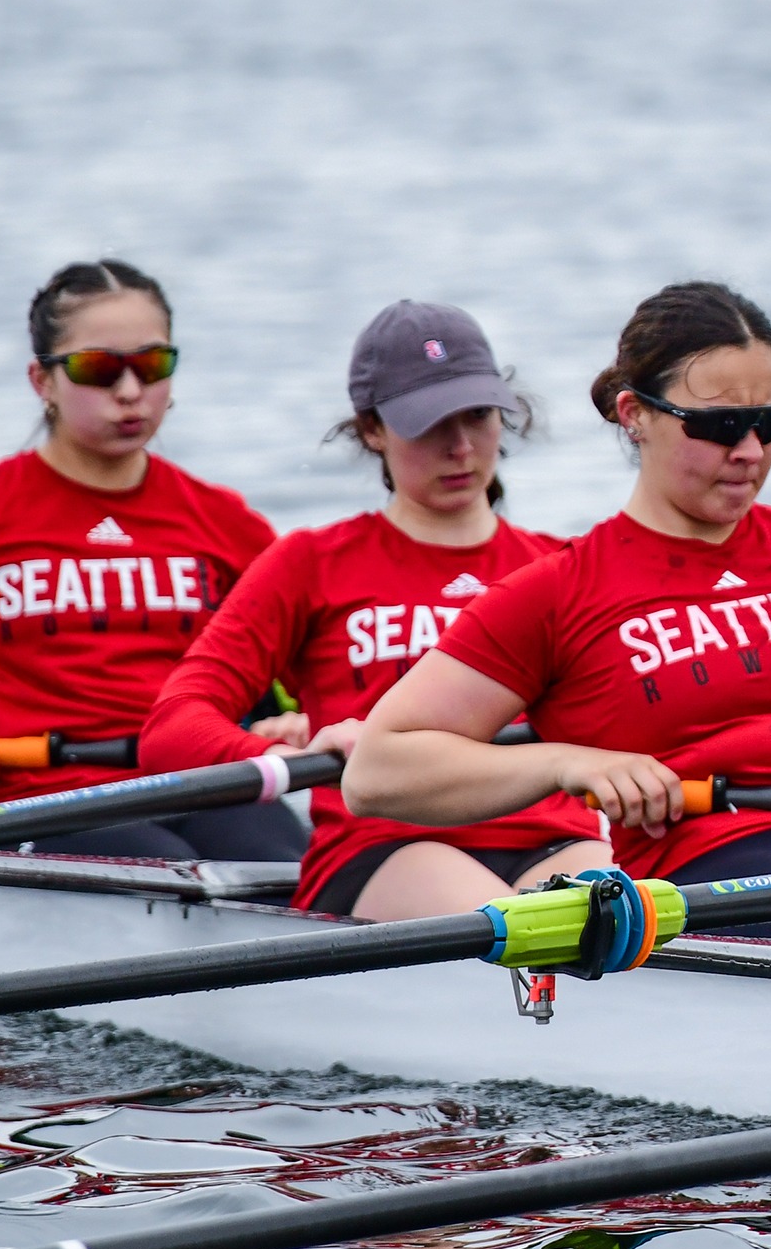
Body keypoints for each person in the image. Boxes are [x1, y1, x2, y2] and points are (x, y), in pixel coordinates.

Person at [344, 281, 771, 947]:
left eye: (769, 423)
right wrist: (566, 763)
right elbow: (377, 771)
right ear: (634, 415)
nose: (747, 451)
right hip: (721, 852)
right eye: (715, 427)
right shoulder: (559, 593)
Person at [143, 302, 610, 918]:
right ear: (371, 430)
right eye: (431, 423)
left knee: (606, 926)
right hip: (389, 844)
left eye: (478, 414)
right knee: (529, 938)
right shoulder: (310, 563)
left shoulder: (562, 566)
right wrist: (278, 760)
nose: (462, 446)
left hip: (551, 838)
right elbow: (172, 728)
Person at [0, 259, 301, 858]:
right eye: (100, 368)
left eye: (151, 365)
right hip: (51, 799)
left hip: (207, 781)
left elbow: (324, 657)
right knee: (174, 879)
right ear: (41, 380)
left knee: (294, 876)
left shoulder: (223, 520)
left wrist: (303, 718)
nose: (130, 392)